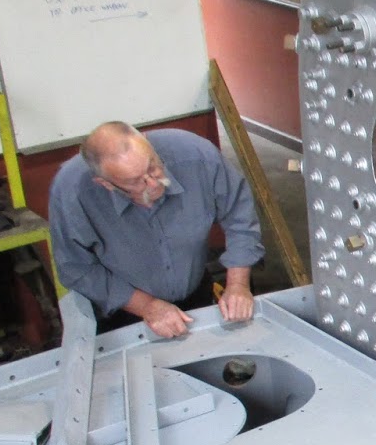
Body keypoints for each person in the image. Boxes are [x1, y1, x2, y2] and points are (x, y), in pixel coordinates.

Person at [48, 122, 262, 338]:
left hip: (195, 290)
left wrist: (237, 284)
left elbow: (239, 216)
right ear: (106, 184)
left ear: (145, 140)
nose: (153, 184)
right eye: (136, 182)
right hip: (124, 310)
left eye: (153, 167)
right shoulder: (71, 192)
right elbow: (76, 268)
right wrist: (146, 306)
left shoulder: (198, 156)